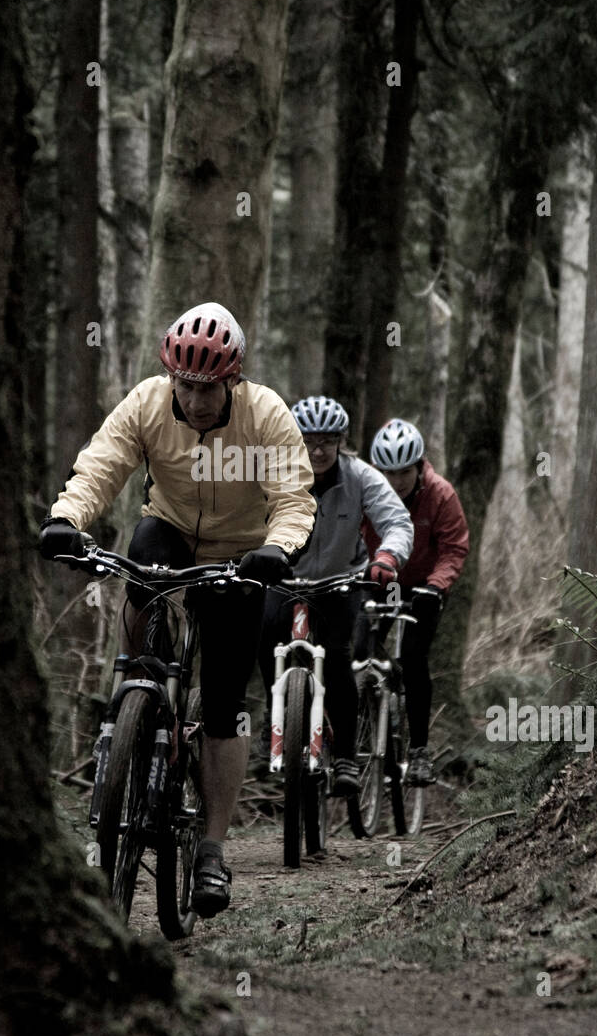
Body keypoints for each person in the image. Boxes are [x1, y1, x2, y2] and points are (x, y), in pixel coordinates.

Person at [38, 302, 316, 916]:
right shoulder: (145, 403)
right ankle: (137, 694)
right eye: (184, 385)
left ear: (232, 379)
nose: (193, 399)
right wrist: (66, 519)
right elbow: (99, 467)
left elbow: (294, 495)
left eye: (207, 386)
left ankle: (212, 849)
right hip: (167, 534)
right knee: (140, 552)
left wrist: (276, 547)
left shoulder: (266, 415)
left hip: (240, 555)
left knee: (221, 704)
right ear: (171, 376)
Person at [255, 396, 413, 797]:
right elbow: (241, 518)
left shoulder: (360, 477)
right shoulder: (275, 473)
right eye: (308, 441)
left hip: (340, 581)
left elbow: (396, 520)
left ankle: (344, 756)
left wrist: (387, 556)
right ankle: (271, 719)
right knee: (265, 638)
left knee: (338, 657)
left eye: (327, 441)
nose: (318, 450)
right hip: (284, 578)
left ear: (341, 442)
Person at [366, 419, 469, 785]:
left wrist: (438, 586)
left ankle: (419, 751)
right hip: (380, 579)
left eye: (404, 472)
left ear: (418, 466)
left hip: (423, 587)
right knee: (358, 649)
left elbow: (454, 547)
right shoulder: (368, 489)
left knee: (412, 657)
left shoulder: (441, 494)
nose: (396, 482)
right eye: (388, 473)